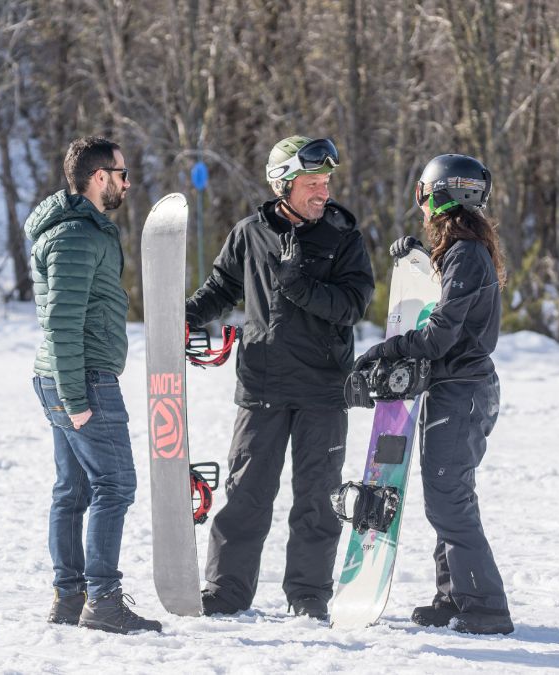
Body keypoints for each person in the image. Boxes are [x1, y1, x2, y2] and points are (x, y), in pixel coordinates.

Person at [185, 136, 374, 620]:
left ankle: (308, 596)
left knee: (317, 501)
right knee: (245, 495)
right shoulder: (250, 233)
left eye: (326, 183)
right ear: (282, 184)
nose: (322, 192)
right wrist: (184, 317)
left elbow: (352, 306)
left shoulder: (343, 236)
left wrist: (298, 285)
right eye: (312, 184)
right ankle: (226, 592)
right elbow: (221, 288)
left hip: (323, 391)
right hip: (262, 386)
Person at [356, 154, 513, 635]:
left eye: (423, 194)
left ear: (438, 194)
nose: (420, 204)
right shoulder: (461, 251)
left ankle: (486, 607)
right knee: (446, 495)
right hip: (455, 390)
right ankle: (454, 595)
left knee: (448, 498)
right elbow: (441, 303)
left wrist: (387, 350)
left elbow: (440, 333)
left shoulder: (466, 253)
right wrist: (418, 261)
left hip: (463, 391)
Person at [26, 136, 161, 634]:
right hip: (82, 378)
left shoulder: (80, 231)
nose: (127, 182)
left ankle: (70, 597)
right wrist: (76, 397)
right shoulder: (76, 237)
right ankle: (102, 600)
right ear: (99, 177)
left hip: (67, 374)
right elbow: (62, 321)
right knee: (115, 484)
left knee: (74, 488)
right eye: (122, 174)